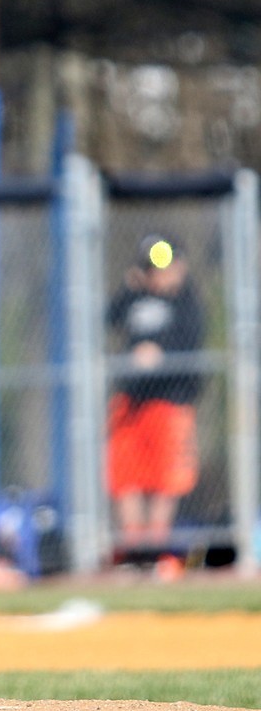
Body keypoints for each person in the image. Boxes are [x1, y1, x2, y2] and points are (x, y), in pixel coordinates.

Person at [105, 232, 205, 574]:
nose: (157, 275)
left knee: (166, 479)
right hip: (131, 399)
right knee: (125, 475)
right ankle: (134, 551)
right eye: (151, 269)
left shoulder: (186, 302)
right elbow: (109, 317)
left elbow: (193, 341)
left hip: (170, 400)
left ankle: (157, 549)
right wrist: (130, 287)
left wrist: (160, 353)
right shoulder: (136, 298)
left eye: (164, 267)